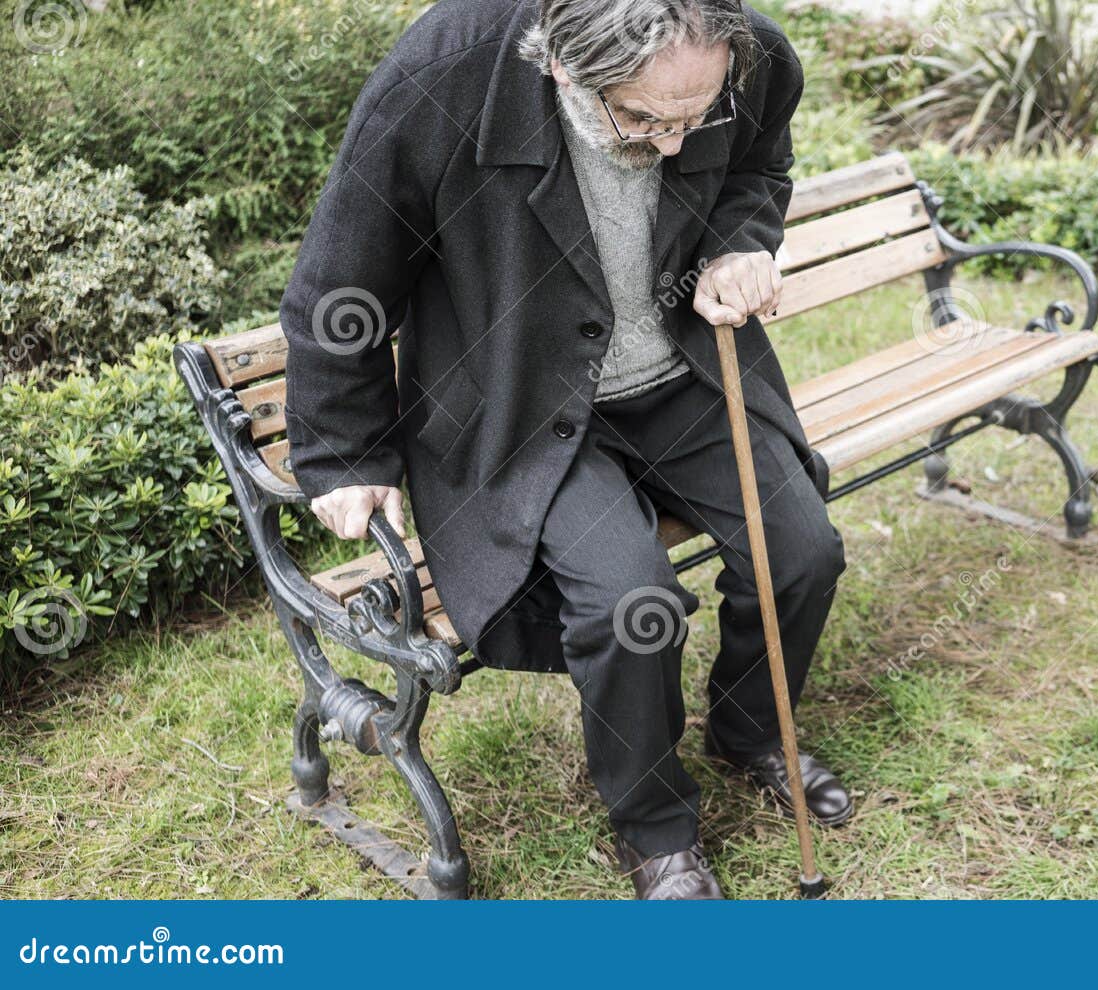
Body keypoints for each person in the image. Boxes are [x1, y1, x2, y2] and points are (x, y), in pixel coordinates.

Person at [280, 0, 851, 899]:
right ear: (560, 67)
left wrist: (742, 245)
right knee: (632, 599)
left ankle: (747, 731)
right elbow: (343, 273)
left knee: (804, 550)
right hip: (520, 402)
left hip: (683, 375)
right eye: (644, 120)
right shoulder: (444, 73)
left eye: (694, 118)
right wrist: (343, 451)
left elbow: (757, 168)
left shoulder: (747, 57)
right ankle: (658, 831)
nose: (672, 144)